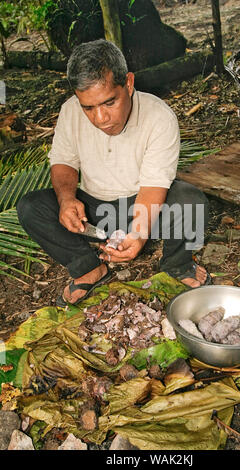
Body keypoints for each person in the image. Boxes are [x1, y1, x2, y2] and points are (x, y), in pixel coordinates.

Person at [17, 39, 210, 307]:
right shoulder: (69, 111)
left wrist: (140, 233)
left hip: (142, 204)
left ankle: (177, 265)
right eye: (88, 107)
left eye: (109, 102)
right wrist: (66, 200)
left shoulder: (159, 117)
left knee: (191, 203)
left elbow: (154, 186)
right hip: (93, 210)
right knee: (30, 207)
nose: (100, 118)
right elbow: (64, 163)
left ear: (128, 84)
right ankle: (88, 268)